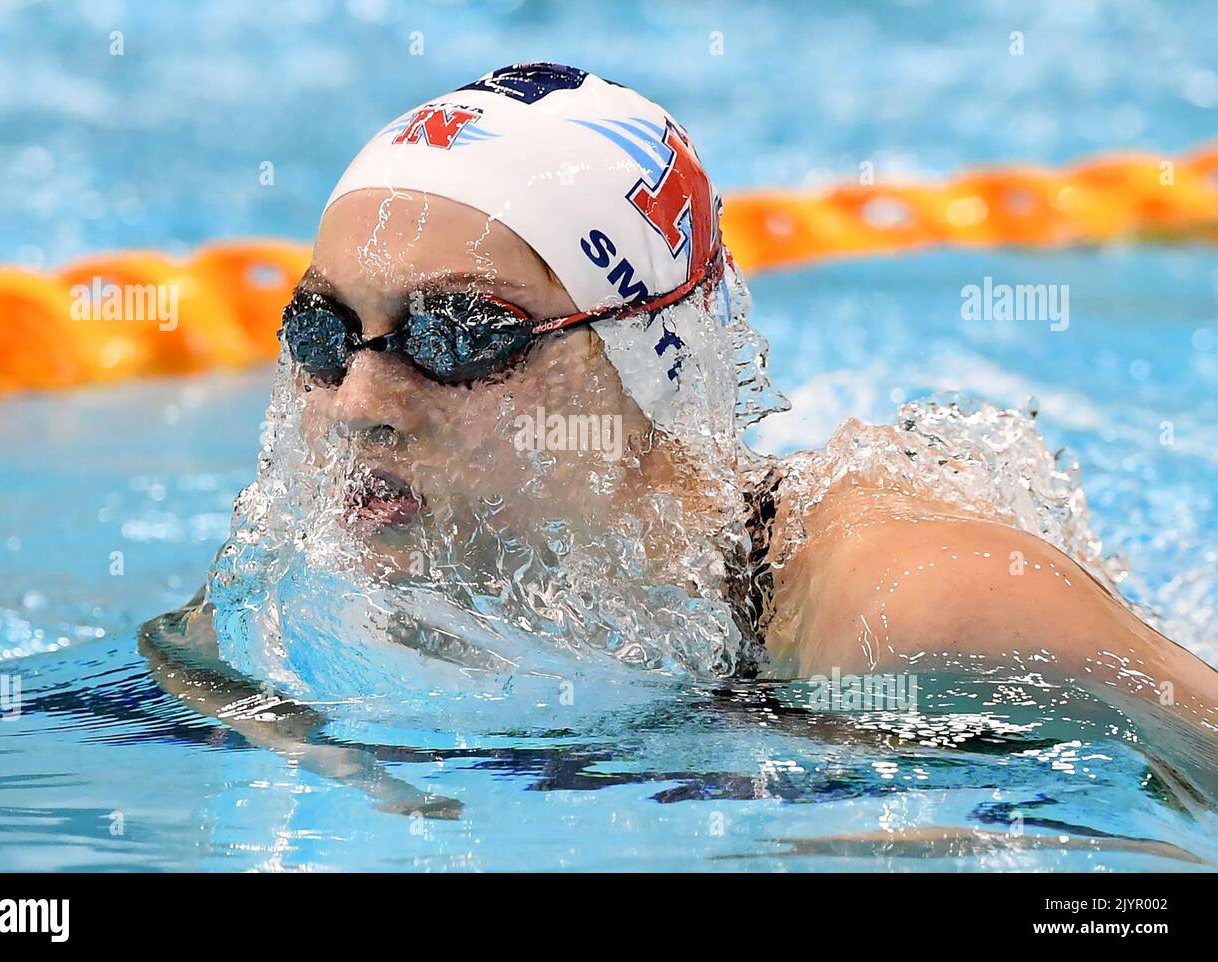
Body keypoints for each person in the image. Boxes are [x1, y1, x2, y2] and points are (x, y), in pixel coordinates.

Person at [144, 63, 1218, 816]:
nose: (357, 400)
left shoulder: (910, 603)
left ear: (641, 360)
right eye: (324, 331)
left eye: (460, 333)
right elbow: (192, 662)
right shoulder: (335, 566)